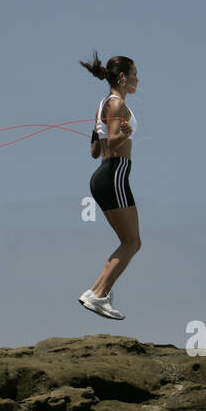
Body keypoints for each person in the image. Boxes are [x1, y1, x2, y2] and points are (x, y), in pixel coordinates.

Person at [77, 51, 141, 321]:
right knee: (132, 242)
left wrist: (107, 136)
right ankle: (99, 294)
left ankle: (97, 292)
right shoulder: (116, 105)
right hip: (115, 173)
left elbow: (94, 150)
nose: (138, 80)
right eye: (135, 74)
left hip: (103, 175)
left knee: (127, 242)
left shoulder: (102, 103)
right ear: (123, 77)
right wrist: (122, 134)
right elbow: (113, 141)